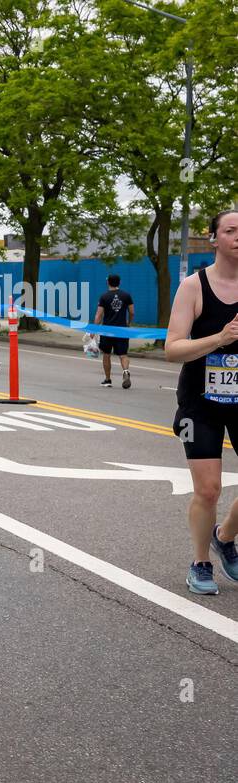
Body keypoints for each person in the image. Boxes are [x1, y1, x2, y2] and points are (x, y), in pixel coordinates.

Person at [166, 209, 238, 596]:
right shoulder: (195, 287)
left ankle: (224, 537)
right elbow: (173, 349)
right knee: (208, 489)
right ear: (214, 239)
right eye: (230, 230)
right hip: (200, 402)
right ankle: (201, 562)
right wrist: (219, 339)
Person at [96, 274, 134, 389]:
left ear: (108, 282)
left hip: (107, 330)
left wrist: (93, 329)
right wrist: (128, 323)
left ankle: (107, 380)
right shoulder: (126, 296)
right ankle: (126, 371)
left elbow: (99, 315)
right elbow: (132, 312)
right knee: (123, 354)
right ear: (119, 282)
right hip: (122, 330)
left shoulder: (104, 297)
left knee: (106, 355)